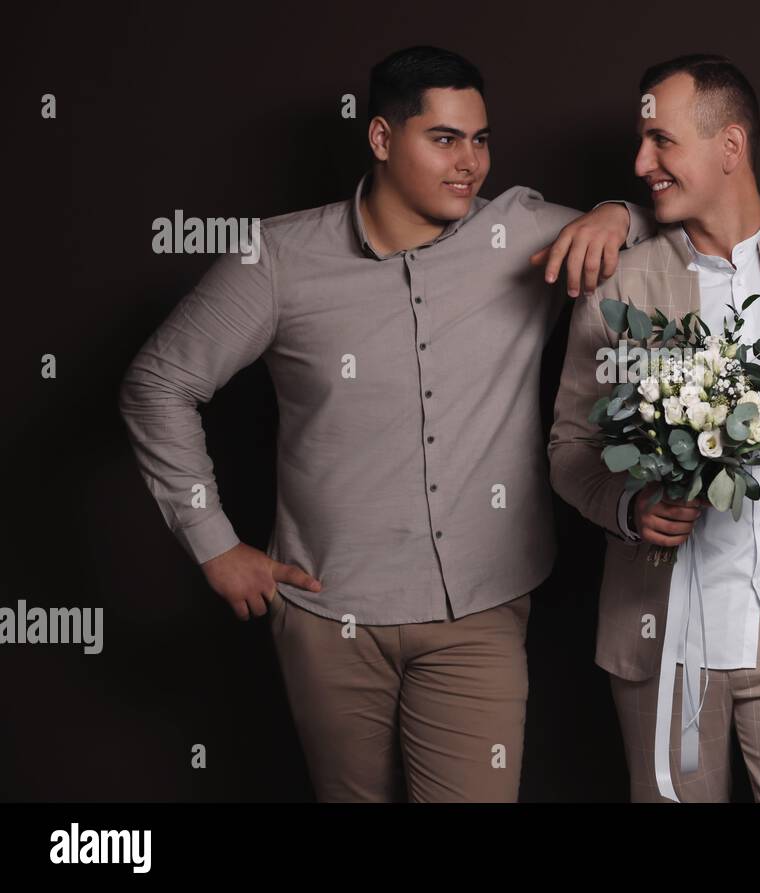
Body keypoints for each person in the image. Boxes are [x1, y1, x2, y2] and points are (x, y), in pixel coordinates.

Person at [118, 45, 655, 802]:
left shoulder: (520, 231)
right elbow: (158, 383)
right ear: (379, 138)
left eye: (480, 138)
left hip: (480, 610)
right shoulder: (276, 257)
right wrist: (213, 544)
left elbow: (654, 237)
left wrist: (616, 212)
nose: (470, 162)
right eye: (444, 139)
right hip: (327, 614)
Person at [549, 55, 760, 802]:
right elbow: (569, 447)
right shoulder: (618, 285)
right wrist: (629, 508)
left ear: (730, 147)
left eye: (661, 142)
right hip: (662, 636)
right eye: (640, 143)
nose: (641, 162)